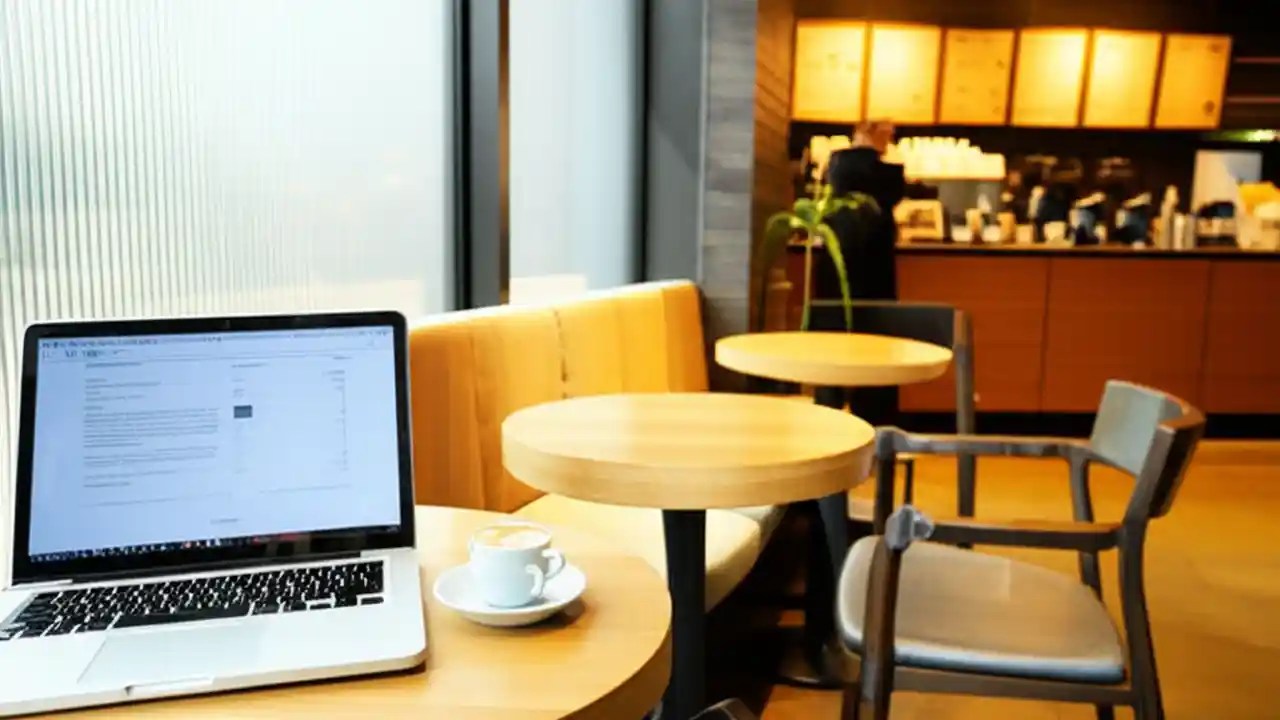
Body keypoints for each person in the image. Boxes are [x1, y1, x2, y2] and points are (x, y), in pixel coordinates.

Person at [822, 120, 906, 426]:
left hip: (837, 262)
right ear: (877, 136)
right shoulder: (887, 174)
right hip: (876, 265)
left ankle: (830, 412)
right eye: (889, 136)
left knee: (833, 339)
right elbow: (894, 194)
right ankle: (873, 419)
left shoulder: (836, 166)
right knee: (877, 338)